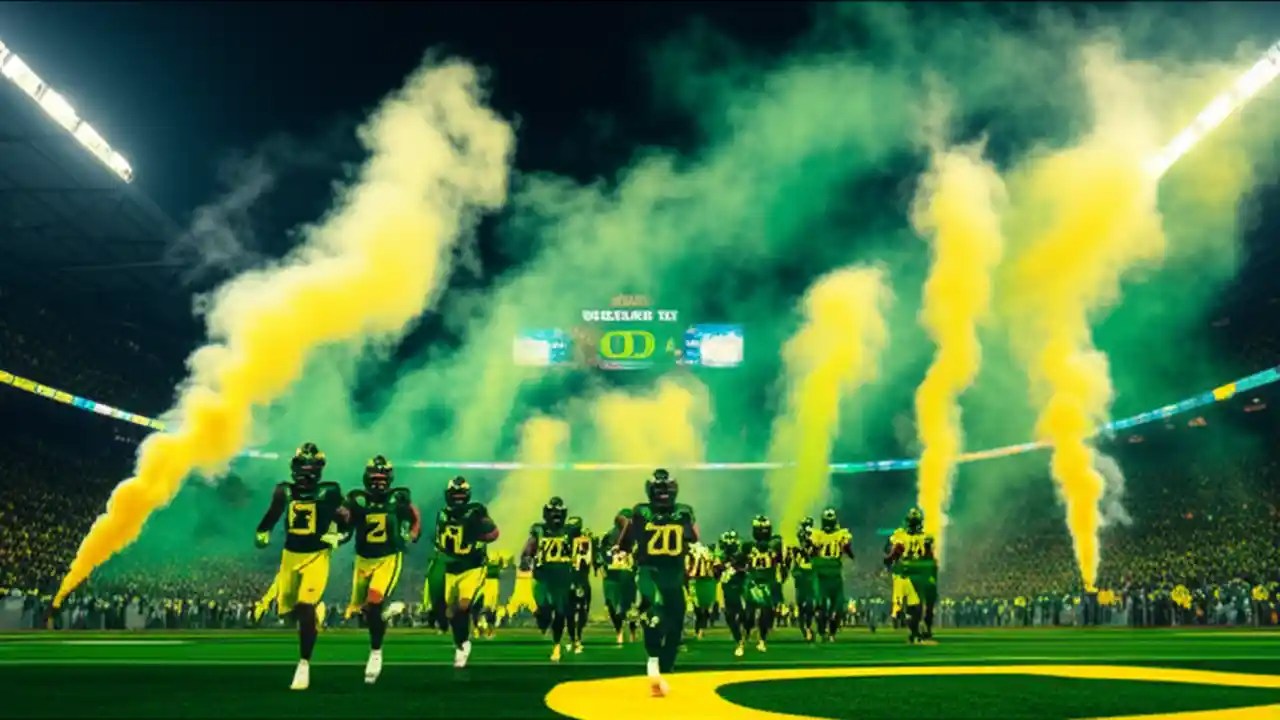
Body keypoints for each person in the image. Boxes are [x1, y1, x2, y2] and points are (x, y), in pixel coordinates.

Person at [254, 443, 349, 690]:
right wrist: (263, 530)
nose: (306, 473)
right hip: (290, 556)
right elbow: (274, 513)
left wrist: (339, 535)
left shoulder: (329, 491)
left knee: (305, 607)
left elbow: (346, 519)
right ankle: (315, 614)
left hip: (316, 555)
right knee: (288, 614)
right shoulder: (284, 490)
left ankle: (303, 664)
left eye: (310, 468)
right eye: (303, 467)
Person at [615, 468, 698, 697]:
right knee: (654, 613)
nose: (662, 494)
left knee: (677, 622)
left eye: (665, 489)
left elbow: (694, 538)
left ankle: (665, 666)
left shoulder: (683, 512)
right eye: (659, 489)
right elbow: (626, 537)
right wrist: (622, 549)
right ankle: (653, 664)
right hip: (649, 571)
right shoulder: (641, 512)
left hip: (674, 574)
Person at [343, 455, 421, 684]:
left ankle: (376, 654)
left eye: (382, 478)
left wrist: (413, 532)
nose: (378, 483)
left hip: (387, 557)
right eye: (374, 478)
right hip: (362, 559)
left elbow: (414, 514)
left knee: (374, 601)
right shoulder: (357, 498)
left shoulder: (398, 497)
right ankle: (384, 614)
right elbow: (346, 521)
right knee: (360, 614)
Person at [433, 476, 499, 667]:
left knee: (462, 606)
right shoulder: (443, 514)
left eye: (461, 494)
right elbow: (440, 541)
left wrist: (480, 536)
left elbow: (494, 533)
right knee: (450, 612)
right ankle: (461, 643)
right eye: (455, 494)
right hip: (450, 568)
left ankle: (463, 645)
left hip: (471, 567)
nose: (458, 498)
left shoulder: (476, 511)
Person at [522, 497, 575, 661]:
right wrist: (526, 558)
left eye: (558, 513)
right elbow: (529, 547)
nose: (555, 517)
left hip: (562, 577)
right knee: (544, 609)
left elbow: (580, 551)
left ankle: (556, 645)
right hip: (542, 576)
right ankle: (541, 617)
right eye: (553, 513)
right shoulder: (539, 530)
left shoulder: (570, 531)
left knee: (560, 612)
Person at [884, 507, 938, 645]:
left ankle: (913, 629)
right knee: (918, 606)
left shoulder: (901, 536)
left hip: (907, 573)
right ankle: (915, 630)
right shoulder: (923, 537)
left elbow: (892, 553)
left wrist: (889, 563)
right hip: (916, 574)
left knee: (915, 607)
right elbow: (929, 557)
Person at [809, 507, 853, 642]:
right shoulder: (830, 534)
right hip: (824, 573)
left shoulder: (821, 535)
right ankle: (824, 632)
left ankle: (828, 632)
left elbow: (812, 552)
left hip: (831, 573)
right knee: (822, 605)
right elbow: (847, 549)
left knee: (836, 606)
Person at [744, 515, 784, 652]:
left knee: (766, 613)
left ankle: (762, 638)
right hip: (753, 581)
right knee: (749, 614)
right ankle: (747, 633)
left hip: (768, 581)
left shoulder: (775, 544)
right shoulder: (748, 546)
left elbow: (781, 562)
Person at [601, 508, 639, 645]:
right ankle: (619, 631)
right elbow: (601, 553)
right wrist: (607, 559)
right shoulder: (609, 536)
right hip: (612, 575)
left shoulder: (636, 537)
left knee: (630, 604)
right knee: (612, 604)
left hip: (628, 574)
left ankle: (632, 632)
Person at [716, 530, 749, 657]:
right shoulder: (721, 559)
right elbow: (717, 575)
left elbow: (746, 571)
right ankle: (739, 640)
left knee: (743, 615)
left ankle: (743, 636)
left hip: (739, 589)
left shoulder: (741, 557)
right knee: (730, 617)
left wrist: (737, 568)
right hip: (727, 590)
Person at [566, 515, 596, 654]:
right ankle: (574, 637)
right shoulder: (565, 540)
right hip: (572, 579)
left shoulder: (584, 540)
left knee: (581, 610)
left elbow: (590, 558)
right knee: (570, 611)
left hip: (580, 579)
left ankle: (576, 636)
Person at [790, 517, 818, 643]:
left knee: (810, 605)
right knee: (802, 606)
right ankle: (805, 628)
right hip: (802, 578)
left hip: (808, 577)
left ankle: (808, 627)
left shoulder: (814, 548)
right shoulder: (797, 550)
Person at [686, 542, 718, 640]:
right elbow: (689, 571)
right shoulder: (690, 556)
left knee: (705, 608)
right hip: (695, 582)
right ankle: (699, 629)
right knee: (698, 609)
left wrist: (708, 560)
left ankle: (700, 630)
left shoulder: (708, 556)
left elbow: (715, 569)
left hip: (707, 582)